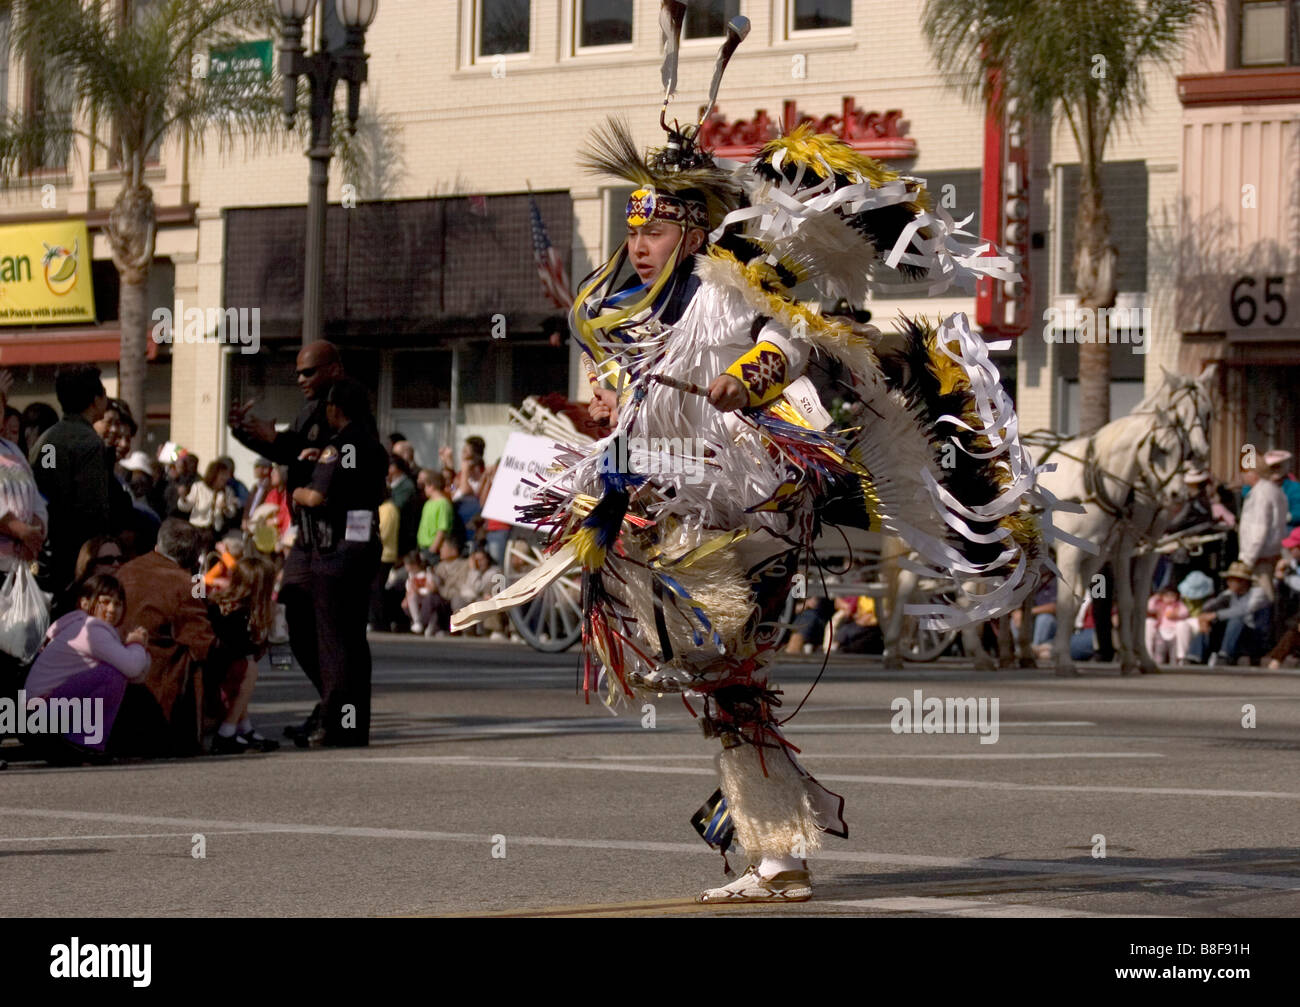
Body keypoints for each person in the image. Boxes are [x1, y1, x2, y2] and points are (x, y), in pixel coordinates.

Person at [453, 87, 1044, 903]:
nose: (641, 245)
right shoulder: (638, 313)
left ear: (694, 229)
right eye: (632, 231)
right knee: (719, 683)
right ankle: (773, 841)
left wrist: (750, 373)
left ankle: (777, 850)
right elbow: (641, 397)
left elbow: (795, 334)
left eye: (655, 229)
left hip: (745, 493)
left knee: (722, 674)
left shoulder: (734, 285)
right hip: (662, 491)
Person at [229, 341, 344, 742]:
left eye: (308, 372)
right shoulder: (310, 409)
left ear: (333, 368)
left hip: (334, 536)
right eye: (297, 372)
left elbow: (318, 453)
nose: (300, 380)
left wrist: (280, 442)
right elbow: (290, 451)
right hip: (306, 536)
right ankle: (329, 703)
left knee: (332, 634)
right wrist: (245, 432)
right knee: (296, 618)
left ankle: (334, 712)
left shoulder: (342, 408)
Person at [288, 377, 386, 746]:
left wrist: (298, 489)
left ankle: (333, 722)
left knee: (333, 644)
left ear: (336, 408)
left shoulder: (338, 446)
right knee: (356, 642)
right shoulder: (374, 446)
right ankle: (355, 725)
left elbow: (316, 497)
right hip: (364, 548)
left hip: (333, 553)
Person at [113, 518, 219, 756]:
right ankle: (227, 730)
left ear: (158, 544)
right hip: (159, 696)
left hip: (119, 683)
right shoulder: (186, 584)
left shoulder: (126, 570)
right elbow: (205, 644)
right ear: (195, 554)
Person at [24, 574, 150, 764]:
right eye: (105, 602)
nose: (112, 609)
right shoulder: (90, 629)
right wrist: (137, 645)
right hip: (40, 716)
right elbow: (133, 668)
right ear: (84, 603)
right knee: (111, 676)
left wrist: (135, 650)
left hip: (38, 716)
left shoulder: (86, 627)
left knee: (115, 674)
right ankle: (82, 743)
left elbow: (137, 674)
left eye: (118, 604)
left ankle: (82, 743)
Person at [29, 365, 129, 594]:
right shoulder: (89, 443)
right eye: (104, 393)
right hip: (76, 549)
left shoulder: (49, 438)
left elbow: (44, 481)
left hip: (46, 542)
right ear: (95, 400)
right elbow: (93, 505)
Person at [0, 370, 48, 705]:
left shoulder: (12, 451)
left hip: (16, 566)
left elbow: (36, 498)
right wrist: (18, 529)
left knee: (8, 656)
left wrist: (35, 527)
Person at [207, 555, 280, 754]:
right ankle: (226, 732)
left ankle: (244, 726)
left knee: (246, 667)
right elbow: (243, 650)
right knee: (249, 668)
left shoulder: (225, 603)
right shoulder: (236, 613)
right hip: (216, 669)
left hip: (222, 664)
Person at [1189, 561, 1272, 666]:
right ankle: (1195, 656)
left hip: (1253, 634)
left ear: (1245, 582)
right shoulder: (1229, 593)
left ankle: (1225, 655)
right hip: (1232, 633)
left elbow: (1243, 610)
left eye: (1235, 580)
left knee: (1236, 620)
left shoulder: (1258, 593)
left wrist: (1215, 615)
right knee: (1209, 622)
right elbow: (1209, 607)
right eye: (1229, 579)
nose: (1230, 583)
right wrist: (1204, 618)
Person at [1237, 450, 1290, 603]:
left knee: (1262, 599)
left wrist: (1247, 559)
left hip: (1260, 557)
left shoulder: (1260, 494)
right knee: (1270, 597)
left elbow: (1258, 529)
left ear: (1252, 473)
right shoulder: (1275, 491)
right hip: (1273, 552)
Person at [178, 460, 240, 548]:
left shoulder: (228, 491)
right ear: (214, 474)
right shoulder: (199, 487)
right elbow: (186, 506)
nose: (225, 478)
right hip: (198, 529)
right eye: (222, 475)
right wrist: (183, 498)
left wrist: (225, 508)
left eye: (226, 475)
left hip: (216, 531)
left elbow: (231, 513)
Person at [1145, 585, 1190, 666]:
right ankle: (1156, 663)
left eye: (1172, 596)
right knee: (1159, 651)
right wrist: (1155, 598)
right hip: (1161, 631)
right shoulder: (1159, 604)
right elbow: (1150, 608)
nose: (1169, 598)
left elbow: (1185, 612)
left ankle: (1176, 662)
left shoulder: (1178, 605)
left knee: (1173, 652)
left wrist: (1177, 614)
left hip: (1174, 632)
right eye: (1167, 596)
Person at [416, 470, 454, 560]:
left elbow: (442, 529)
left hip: (432, 548)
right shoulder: (428, 503)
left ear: (431, 486)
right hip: (423, 546)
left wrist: (433, 548)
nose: (424, 489)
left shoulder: (443, 504)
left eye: (425, 486)